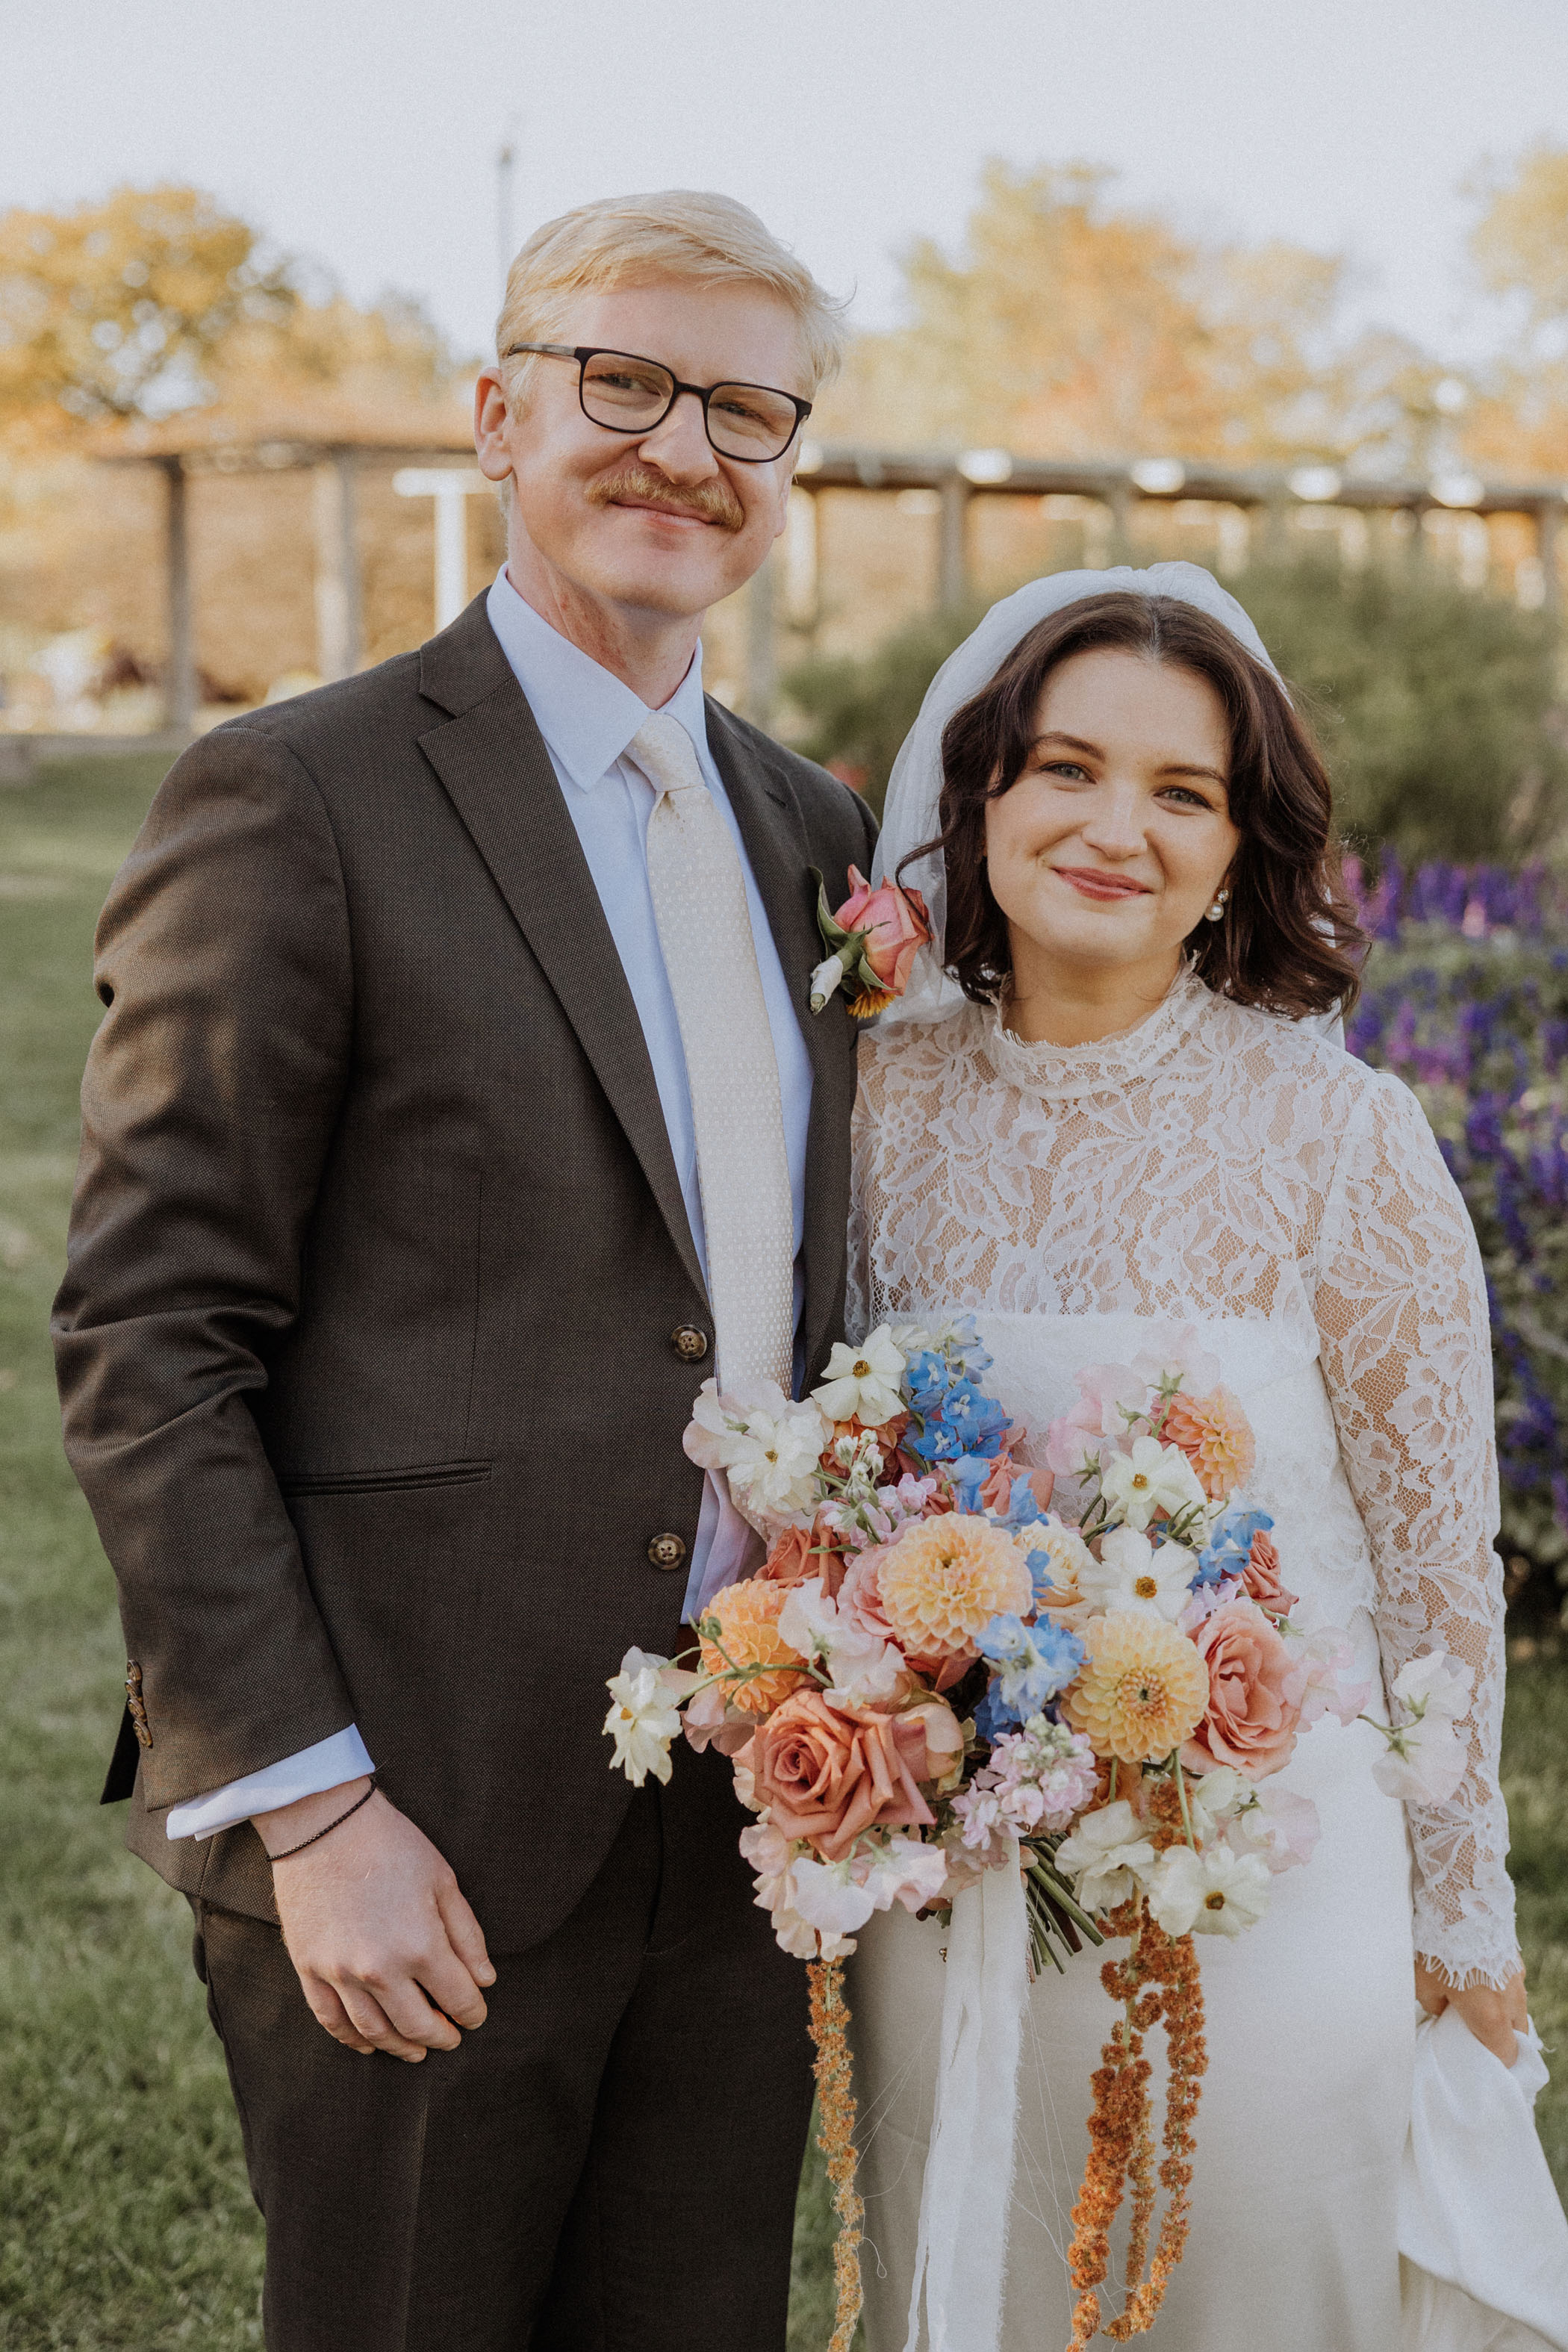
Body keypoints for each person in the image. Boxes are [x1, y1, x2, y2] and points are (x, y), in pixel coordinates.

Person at [52, 190, 877, 2351]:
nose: (683, 449)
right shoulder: (294, 793)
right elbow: (152, 1335)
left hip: (751, 1811)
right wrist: (310, 1800)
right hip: (410, 1805)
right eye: (625, 382)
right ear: (497, 414)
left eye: (747, 409)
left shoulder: (814, 835)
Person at [843, 565, 1527, 2350]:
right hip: (950, 1901)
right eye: (1067, 768)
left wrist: (1467, 1919)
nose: (1114, 828)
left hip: (1262, 1897)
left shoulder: (1344, 1140)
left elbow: (1441, 1578)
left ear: (1239, 850)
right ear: (981, 794)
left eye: (1181, 793)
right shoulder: (876, 1113)